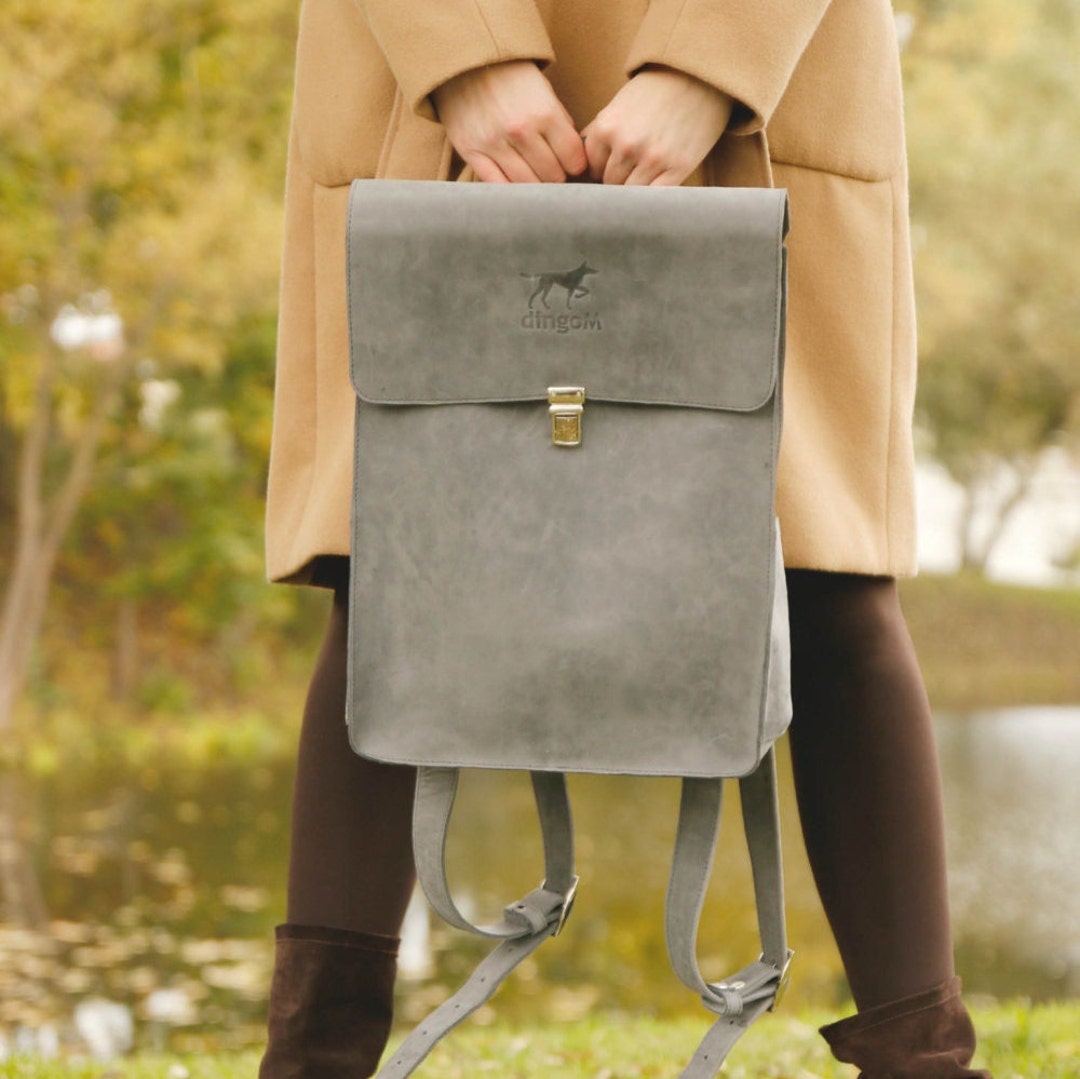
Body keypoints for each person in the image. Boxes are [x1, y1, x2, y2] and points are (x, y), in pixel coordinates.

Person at [258, 2, 993, 1076]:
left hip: (767, 85)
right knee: (389, 572)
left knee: (822, 566)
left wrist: (714, 60)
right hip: (422, 79)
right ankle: (310, 1063)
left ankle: (928, 1064)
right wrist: (460, 52)